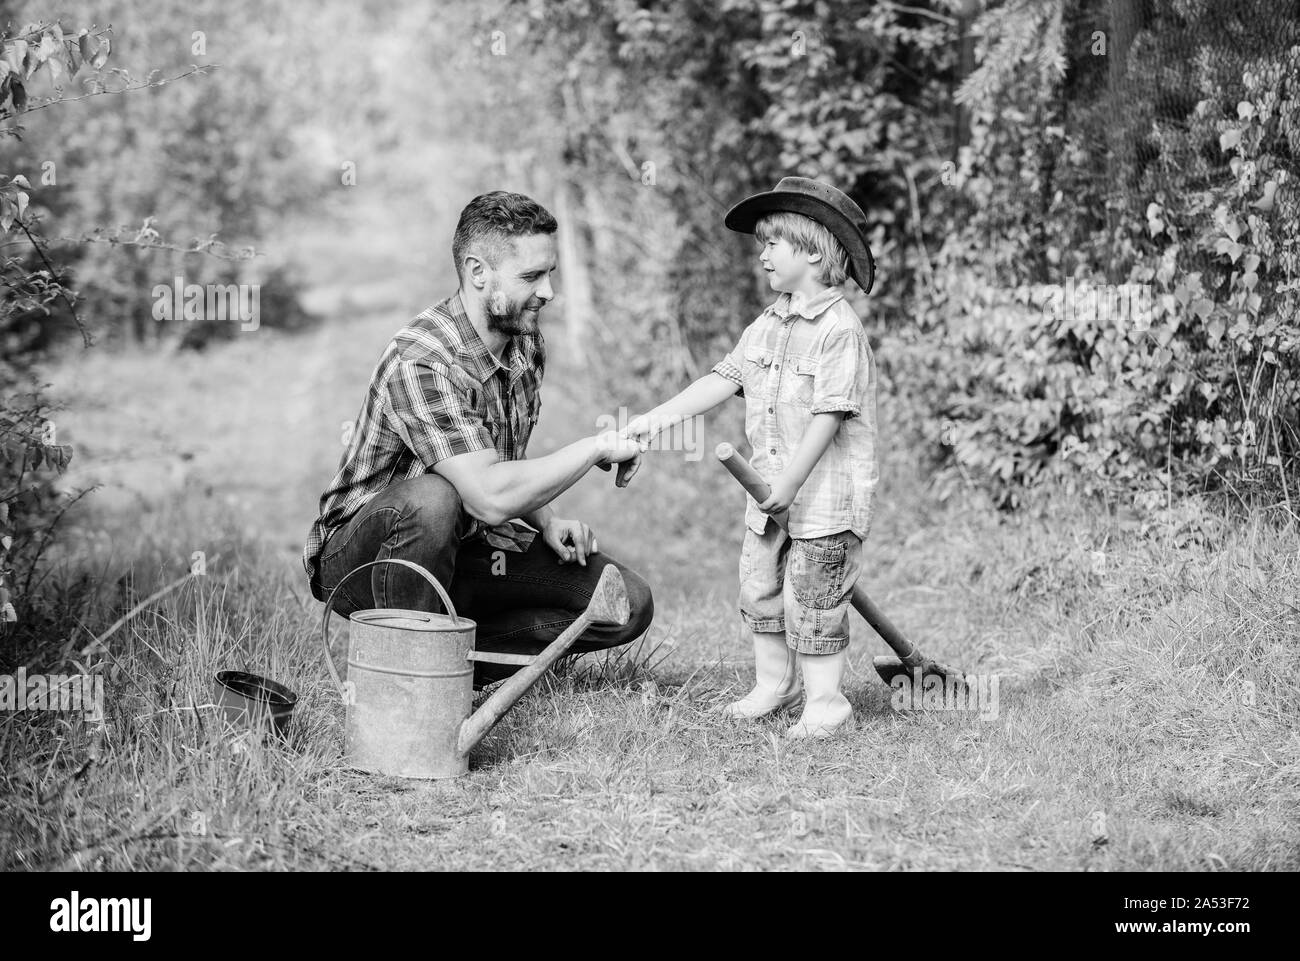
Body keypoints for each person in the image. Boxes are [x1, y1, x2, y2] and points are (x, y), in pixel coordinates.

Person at [304, 191, 653, 687]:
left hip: (469, 551)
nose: (548, 292)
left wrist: (546, 519)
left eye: (549, 274)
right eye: (532, 277)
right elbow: (490, 497)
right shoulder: (422, 360)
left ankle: (445, 662)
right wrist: (595, 446)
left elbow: (500, 456)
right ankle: (408, 680)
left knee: (626, 603)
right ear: (477, 272)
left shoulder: (524, 340)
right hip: (368, 561)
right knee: (432, 499)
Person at [625, 177, 877, 738]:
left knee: (814, 596)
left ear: (812, 250)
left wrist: (789, 482)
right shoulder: (767, 324)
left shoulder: (840, 330)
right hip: (765, 493)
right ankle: (773, 685)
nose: (760, 254)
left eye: (771, 244)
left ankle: (826, 702)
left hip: (823, 501)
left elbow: (829, 416)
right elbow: (723, 378)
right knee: (761, 587)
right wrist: (651, 421)